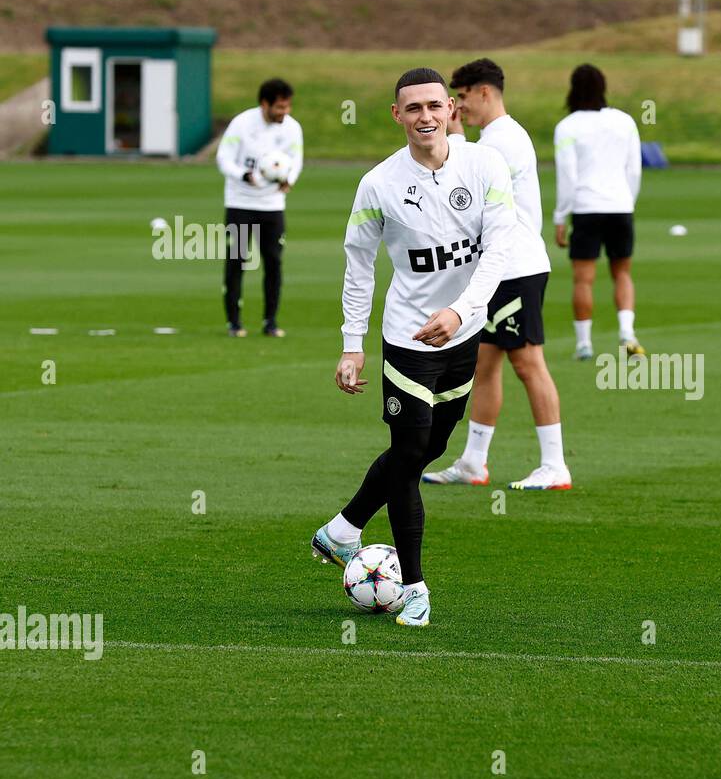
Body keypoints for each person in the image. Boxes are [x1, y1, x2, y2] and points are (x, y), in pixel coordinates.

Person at [311, 68, 517, 629]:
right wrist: (352, 346)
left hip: (462, 333)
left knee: (426, 450)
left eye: (434, 105)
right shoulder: (378, 184)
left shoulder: (485, 165)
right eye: (413, 108)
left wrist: (460, 312)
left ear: (452, 108)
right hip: (407, 337)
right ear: (396, 116)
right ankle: (415, 587)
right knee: (409, 451)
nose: (425, 116)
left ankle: (345, 528)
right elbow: (358, 268)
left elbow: (499, 249)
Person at [423, 58, 572, 491]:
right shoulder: (493, 138)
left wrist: (452, 133)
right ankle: (473, 461)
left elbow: (460, 186)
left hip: (516, 269)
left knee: (528, 362)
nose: (458, 108)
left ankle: (555, 463)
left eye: (462, 98)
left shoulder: (503, 141)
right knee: (484, 365)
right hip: (496, 271)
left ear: (484, 92)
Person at [553, 64, 645, 360]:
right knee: (622, 273)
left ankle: (584, 343)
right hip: (620, 206)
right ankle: (627, 333)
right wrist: (627, 200)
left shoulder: (567, 126)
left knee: (583, 278)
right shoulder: (625, 121)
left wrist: (559, 217)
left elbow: (567, 175)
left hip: (586, 208)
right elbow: (634, 169)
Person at [214, 78, 303, 338]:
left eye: (287, 107)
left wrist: (289, 179)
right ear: (264, 104)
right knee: (237, 261)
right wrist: (244, 175)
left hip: (272, 205)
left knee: (274, 261)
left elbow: (295, 160)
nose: (284, 112)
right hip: (240, 203)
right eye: (279, 107)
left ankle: (270, 322)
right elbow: (224, 159)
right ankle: (234, 322)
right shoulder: (242, 124)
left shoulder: (292, 128)